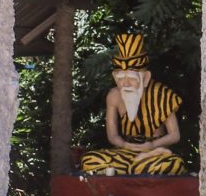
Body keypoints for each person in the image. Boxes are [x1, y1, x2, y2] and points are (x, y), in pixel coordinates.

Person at [79, 33, 186, 175]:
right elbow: (112, 136)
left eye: (131, 78)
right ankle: (136, 166)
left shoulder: (162, 94)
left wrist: (152, 145)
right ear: (115, 78)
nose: (126, 83)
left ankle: (138, 164)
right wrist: (125, 144)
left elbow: (174, 135)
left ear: (146, 78)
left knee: (173, 164)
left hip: (154, 152)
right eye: (121, 78)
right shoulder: (114, 96)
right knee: (89, 159)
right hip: (126, 152)